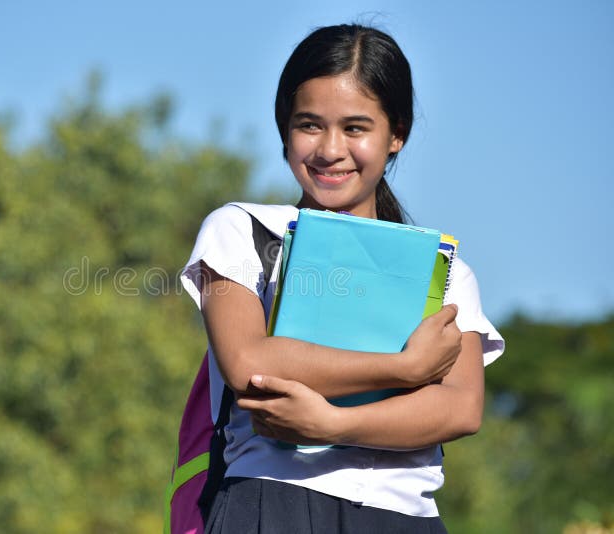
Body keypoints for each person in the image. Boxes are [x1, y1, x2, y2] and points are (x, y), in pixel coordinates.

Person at [180, 23, 505, 533]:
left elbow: (461, 408)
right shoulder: (241, 230)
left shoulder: (445, 271)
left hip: (404, 517)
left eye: (355, 128)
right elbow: (250, 363)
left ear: (396, 133)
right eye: (310, 124)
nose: (330, 149)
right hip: (269, 505)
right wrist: (405, 368)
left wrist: (335, 424)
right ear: (284, 127)